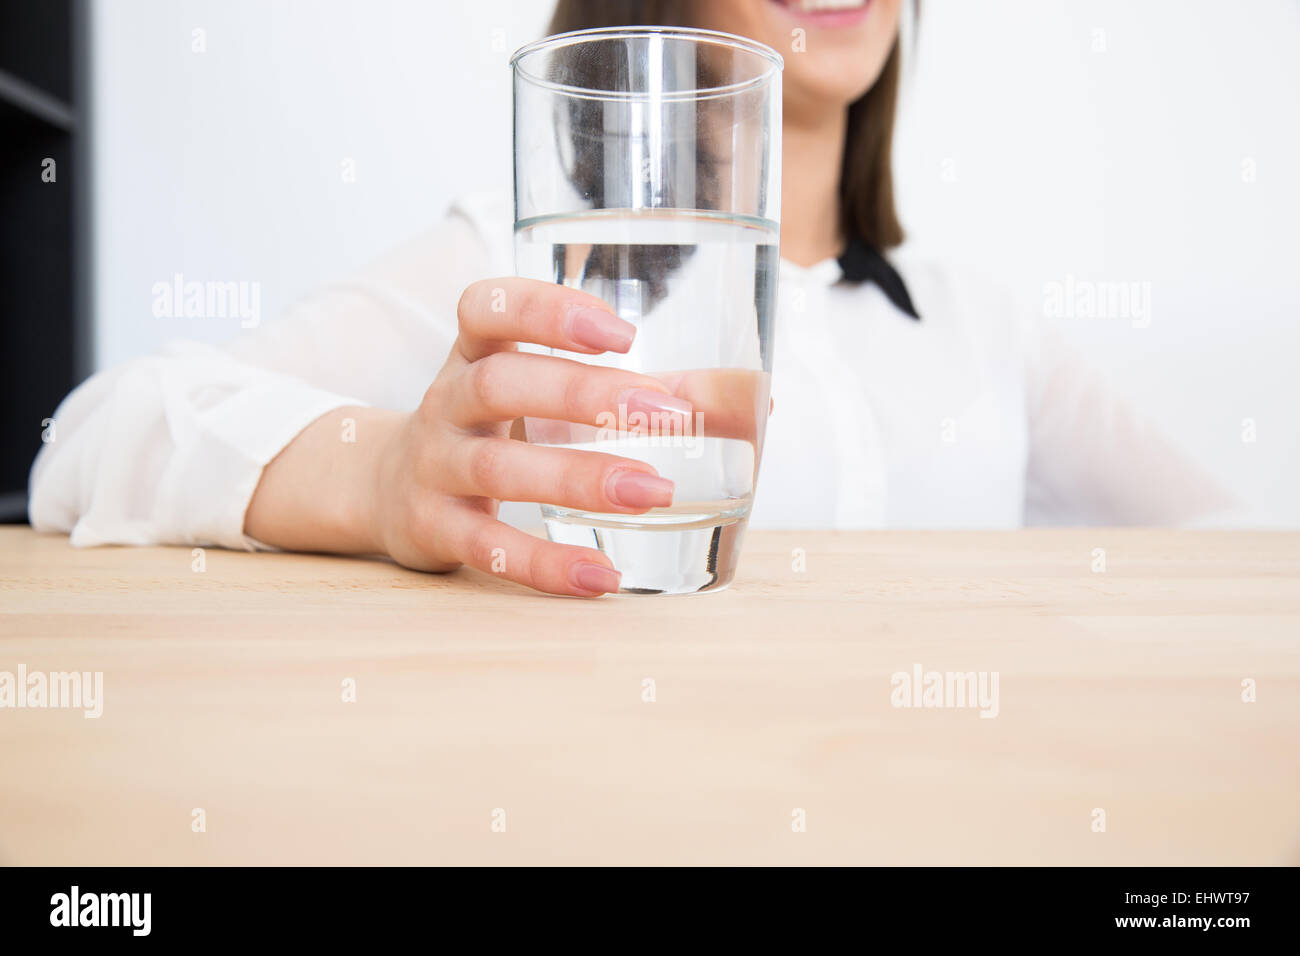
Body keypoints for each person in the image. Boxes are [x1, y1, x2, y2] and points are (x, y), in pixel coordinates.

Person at [28, 0, 1228, 596]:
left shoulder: (983, 325)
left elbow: (1232, 549)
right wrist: (383, 474)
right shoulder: (516, 271)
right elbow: (91, 437)